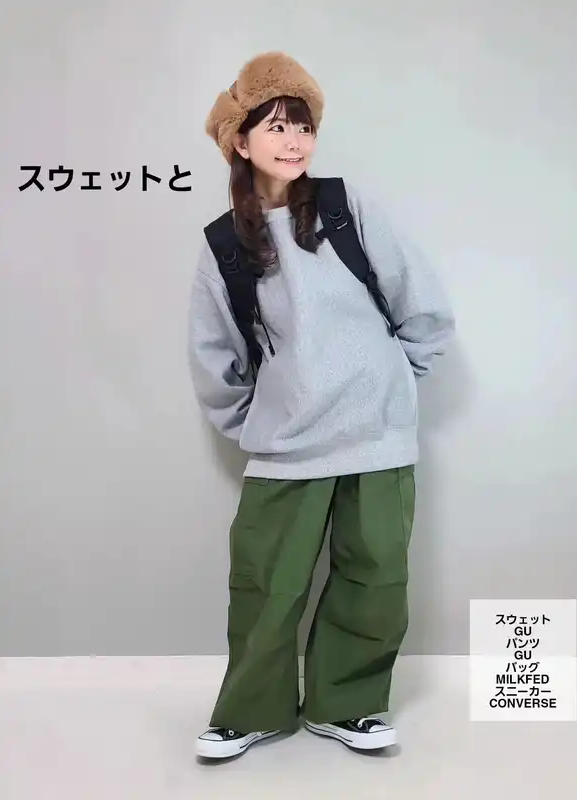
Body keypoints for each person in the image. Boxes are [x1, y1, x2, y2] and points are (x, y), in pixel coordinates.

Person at [187, 51, 455, 760]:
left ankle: (350, 705)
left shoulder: (342, 207)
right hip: (287, 446)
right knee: (266, 586)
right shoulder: (224, 243)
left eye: (302, 125)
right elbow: (215, 357)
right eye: (276, 126)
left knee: (375, 577)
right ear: (240, 141)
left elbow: (420, 302)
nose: (294, 140)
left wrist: (391, 383)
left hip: (377, 436)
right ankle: (251, 712)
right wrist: (256, 423)